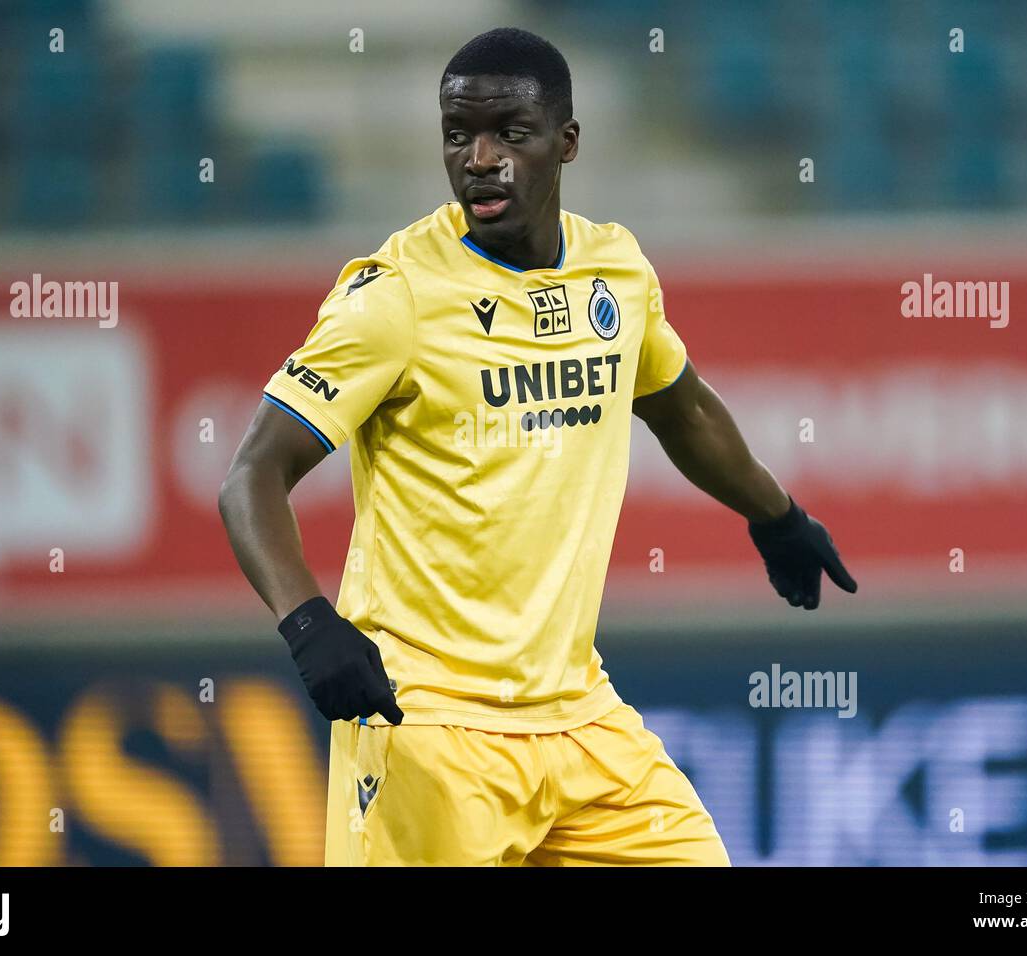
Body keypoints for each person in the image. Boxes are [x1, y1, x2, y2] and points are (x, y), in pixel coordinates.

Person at [219, 27, 857, 866]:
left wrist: (776, 515)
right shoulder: (395, 297)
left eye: (509, 134)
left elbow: (682, 408)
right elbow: (252, 474)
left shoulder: (616, 272)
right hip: (430, 722)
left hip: (579, 717)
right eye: (458, 135)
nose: (479, 158)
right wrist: (309, 625)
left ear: (566, 143)